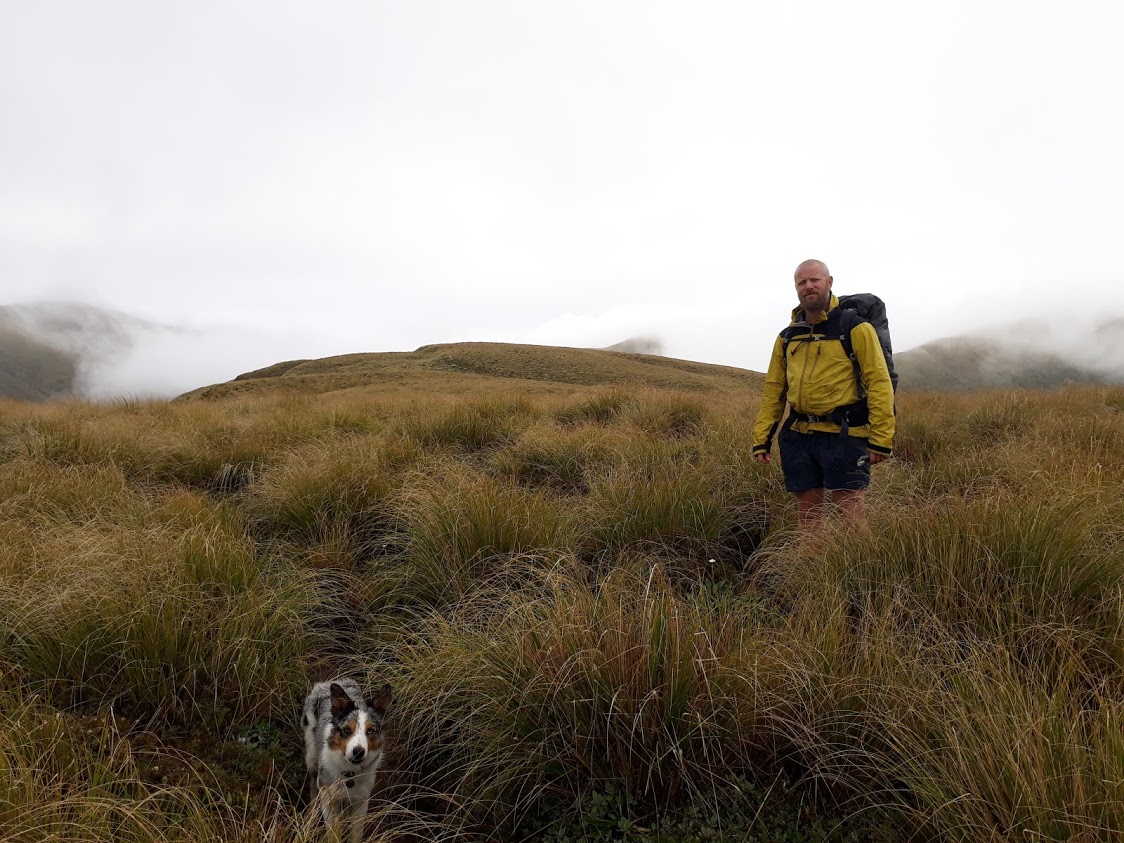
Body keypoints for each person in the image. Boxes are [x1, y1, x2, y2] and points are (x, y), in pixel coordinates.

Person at [752, 259, 895, 531]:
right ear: (796, 289)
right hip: (799, 436)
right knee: (808, 516)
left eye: (814, 280)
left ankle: (868, 569)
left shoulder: (854, 328)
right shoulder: (787, 336)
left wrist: (880, 439)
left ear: (829, 282)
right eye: (801, 283)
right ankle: (811, 570)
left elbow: (879, 381)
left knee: (850, 511)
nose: (808, 287)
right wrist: (762, 438)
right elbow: (774, 390)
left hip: (844, 434)